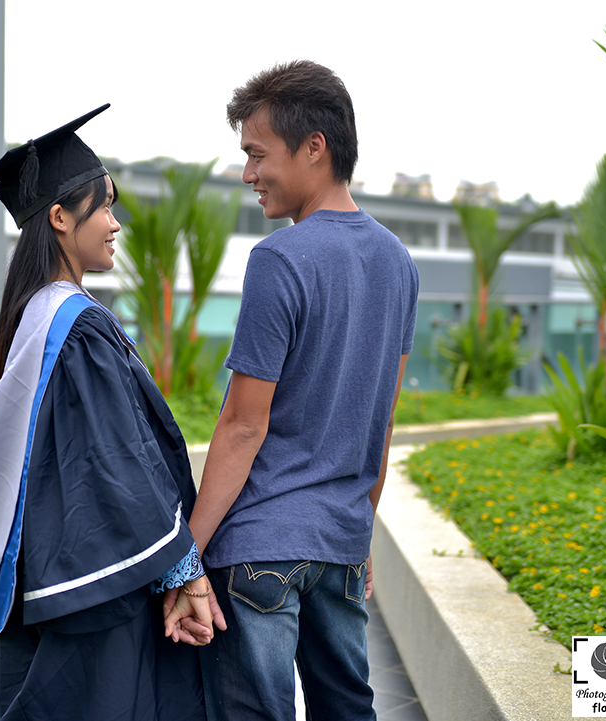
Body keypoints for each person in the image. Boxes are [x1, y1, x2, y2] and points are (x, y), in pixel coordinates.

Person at [0, 104, 221, 721]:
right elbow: (117, 459)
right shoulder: (76, 328)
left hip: (54, 575)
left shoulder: (34, 316)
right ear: (58, 217)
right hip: (94, 591)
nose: (115, 223)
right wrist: (185, 568)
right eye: (103, 207)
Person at [178, 61, 420, 720]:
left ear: (315, 145)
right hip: (341, 541)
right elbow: (382, 421)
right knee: (349, 708)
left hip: (259, 545)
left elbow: (241, 427)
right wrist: (359, 532)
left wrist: (185, 554)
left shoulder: (279, 260)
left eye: (257, 155)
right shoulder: (399, 264)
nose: (249, 174)